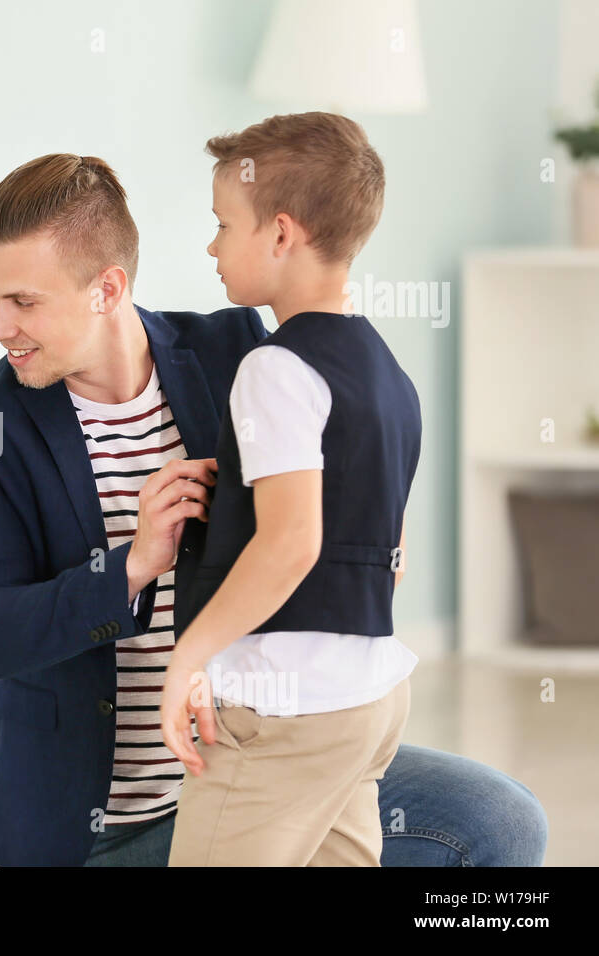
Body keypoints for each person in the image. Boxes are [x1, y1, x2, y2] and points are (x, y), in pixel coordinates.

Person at [0, 151, 548, 867]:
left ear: (107, 287)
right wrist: (129, 569)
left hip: (266, 755)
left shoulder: (238, 352)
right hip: (105, 833)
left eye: (23, 302)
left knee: (499, 821)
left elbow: (336, 497)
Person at [161, 111, 415, 866]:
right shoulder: (387, 372)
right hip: (368, 697)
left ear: (279, 234)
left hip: (283, 706)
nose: (211, 246)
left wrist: (188, 659)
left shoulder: (274, 367)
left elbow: (293, 543)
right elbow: (385, 547)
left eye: (222, 225)